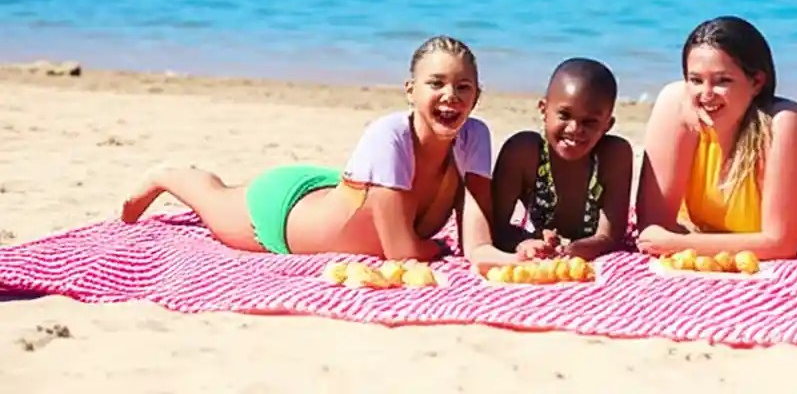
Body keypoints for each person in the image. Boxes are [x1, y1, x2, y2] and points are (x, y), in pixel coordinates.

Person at [120, 35, 508, 265]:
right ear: (410, 90)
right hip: (281, 218)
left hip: (331, 192)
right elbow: (401, 252)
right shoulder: (390, 135)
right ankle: (165, 175)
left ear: (477, 96)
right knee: (214, 197)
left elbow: (477, 245)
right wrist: (437, 248)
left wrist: (510, 256)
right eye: (436, 83)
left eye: (463, 87)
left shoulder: (475, 136)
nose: (450, 97)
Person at [635, 15, 797, 261]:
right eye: (695, 80)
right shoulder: (677, 105)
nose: (706, 94)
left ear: (756, 82)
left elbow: (781, 244)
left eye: (722, 80)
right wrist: (675, 242)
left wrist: (679, 244)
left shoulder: (785, 124)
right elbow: (652, 229)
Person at [490, 58, 633, 261]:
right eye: (564, 115)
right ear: (544, 109)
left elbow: (610, 237)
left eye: (589, 122)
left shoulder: (613, 156)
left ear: (607, 124)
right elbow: (495, 227)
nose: (575, 129)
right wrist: (528, 242)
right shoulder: (524, 153)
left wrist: (570, 251)